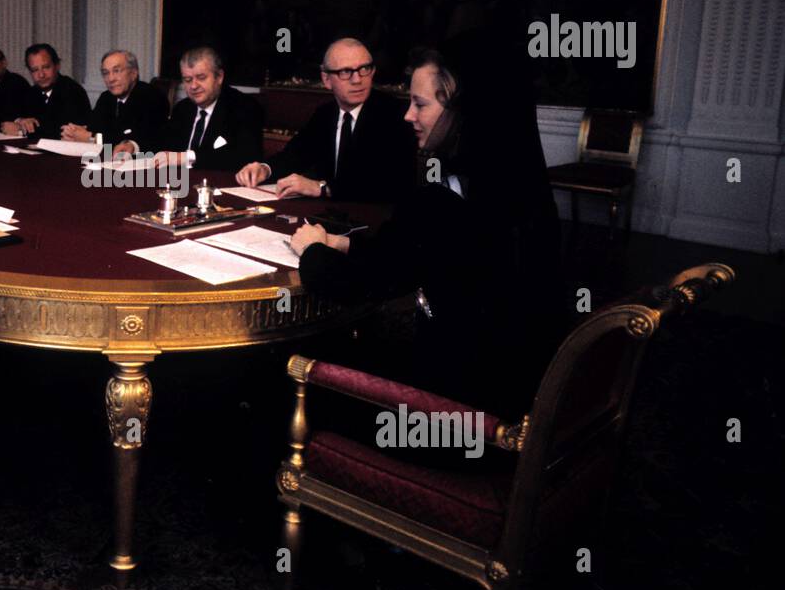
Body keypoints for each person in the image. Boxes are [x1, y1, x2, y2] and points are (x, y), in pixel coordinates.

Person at [289, 33, 566, 419]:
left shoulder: (445, 204)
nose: (408, 116)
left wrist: (313, 249)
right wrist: (342, 243)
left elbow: (353, 285)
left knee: (297, 379)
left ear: (463, 111)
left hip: (456, 421)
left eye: (420, 104)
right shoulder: (514, 189)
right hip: (510, 398)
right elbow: (405, 254)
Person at [235, 38, 415, 202]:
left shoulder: (396, 115)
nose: (357, 79)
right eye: (346, 71)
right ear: (327, 79)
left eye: (364, 69)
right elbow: (294, 155)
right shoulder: (325, 114)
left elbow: (390, 183)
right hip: (327, 216)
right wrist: (264, 169)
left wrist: (322, 188)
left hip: (376, 220)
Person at [152, 46, 263, 172]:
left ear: (219, 77)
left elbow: (244, 158)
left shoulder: (244, 107)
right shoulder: (182, 109)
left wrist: (187, 157)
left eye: (201, 78)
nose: (193, 86)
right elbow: (164, 147)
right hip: (178, 183)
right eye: (187, 80)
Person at [63, 49, 166, 153]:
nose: (111, 79)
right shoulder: (106, 97)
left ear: (134, 73)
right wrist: (73, 132)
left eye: (116, 71)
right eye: (106, 73)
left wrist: (92, 139)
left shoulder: (152, 96)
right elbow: (94, 128)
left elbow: (133, 139)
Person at [2, 43, 90, 139]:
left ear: (57, 66)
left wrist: (21, 130)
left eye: (46, 67)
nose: (41, 75)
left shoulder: (73, 91)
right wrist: (20, 121)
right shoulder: (32, 92)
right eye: (35, 70)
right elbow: (9, 121)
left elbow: (63, 132)